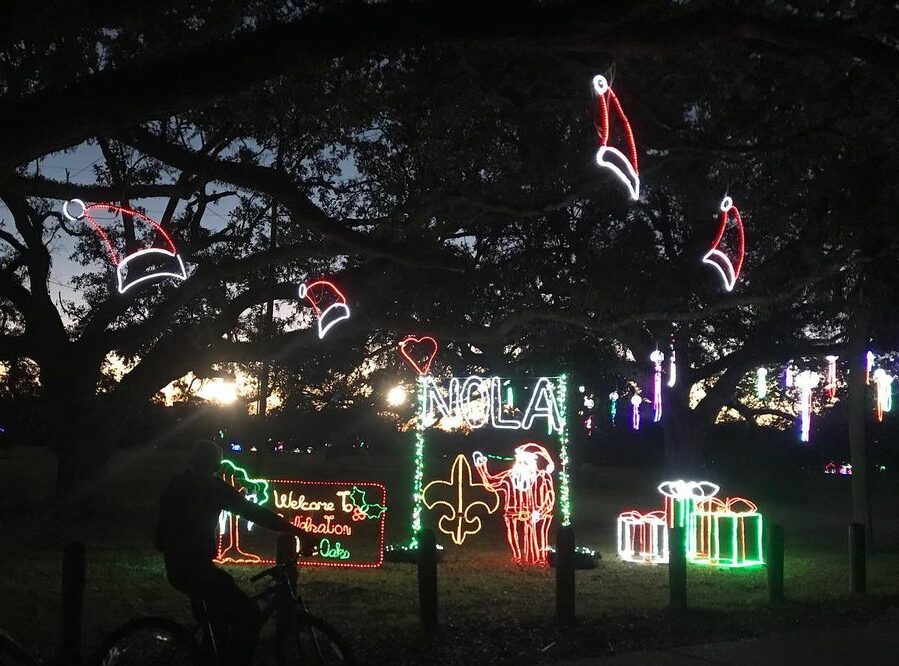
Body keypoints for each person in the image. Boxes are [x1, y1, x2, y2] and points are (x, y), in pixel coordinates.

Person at [155, 440, 309, 665]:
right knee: (249, 615)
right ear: (216, 466)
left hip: (180, 566)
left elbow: (160, 536)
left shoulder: (177, 484)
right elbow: (253, 512)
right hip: (196, 568)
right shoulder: (213, 488)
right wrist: (298, 531)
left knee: (217, 624)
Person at [472, 443, 556, 565]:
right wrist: (481, 466)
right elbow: (491, 483)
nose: (522, 464)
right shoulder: (510, 476)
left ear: (533, 462)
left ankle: (539, 558)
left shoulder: (543, 477)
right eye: (520, 460)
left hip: (538, 513)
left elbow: (549, 498)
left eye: (525, 461)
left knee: (537, 535)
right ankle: (518, 557)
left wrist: (540, 512)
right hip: (514, 513)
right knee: (516, 534)